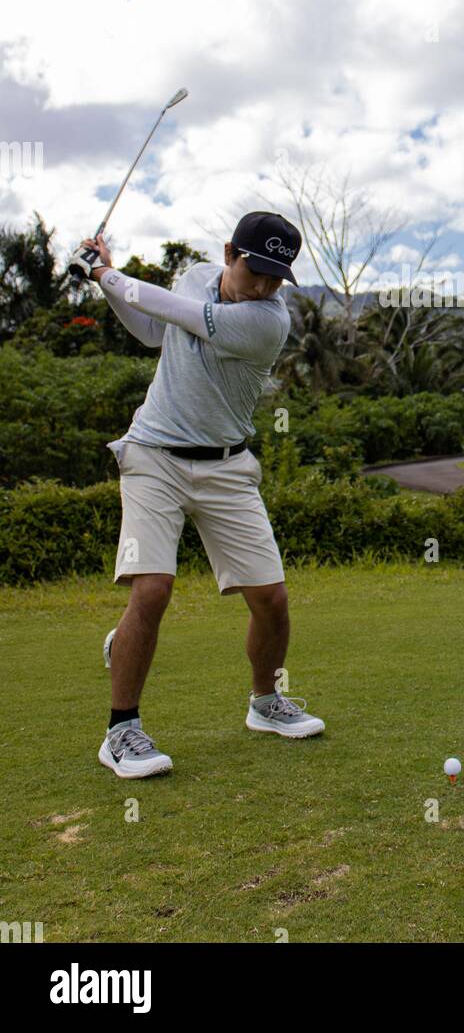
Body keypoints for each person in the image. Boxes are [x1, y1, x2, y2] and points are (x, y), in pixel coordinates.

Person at [72, 211, 324, 779]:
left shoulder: (266, 321)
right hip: (153, 456)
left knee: (273, 602)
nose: (262, 286)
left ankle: (265, 704)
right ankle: (122, 731)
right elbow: (152, 328)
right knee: (153, 589)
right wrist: (110, 282)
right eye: (254, 270)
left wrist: (103, 275)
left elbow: (178, 313)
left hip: (228, 468)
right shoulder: (193, 277)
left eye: (275, 277)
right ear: (230, 252)